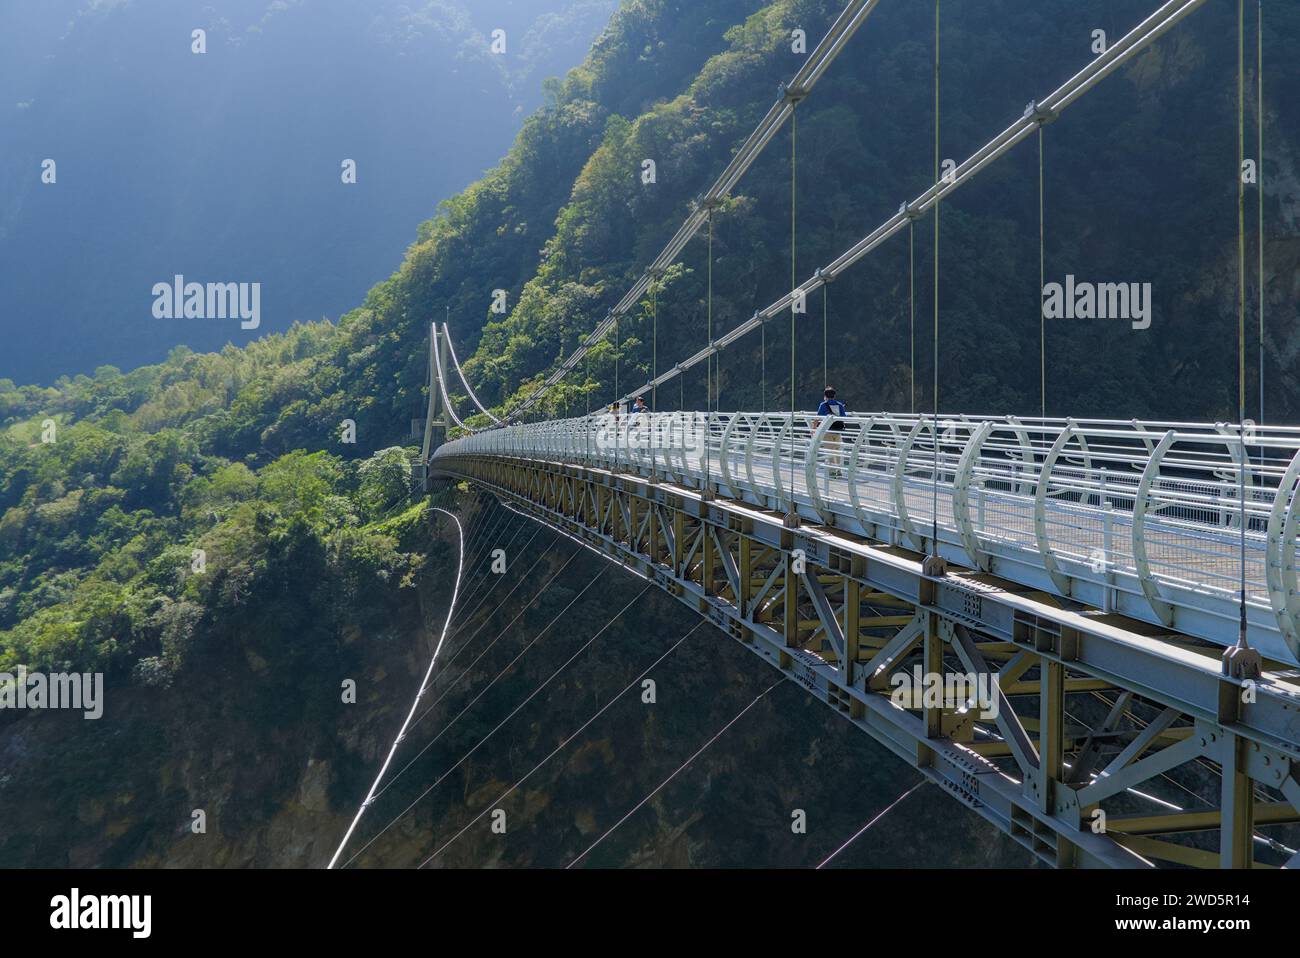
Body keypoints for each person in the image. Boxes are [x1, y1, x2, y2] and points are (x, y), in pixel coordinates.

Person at [814, 387, 848, 478]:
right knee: (837, 450)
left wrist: (814, 430)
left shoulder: (823, 405)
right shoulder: (839, 404)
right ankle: (839, 471)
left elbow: (817, 418)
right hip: (838, 431)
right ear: (834, 395)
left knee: (829, 451)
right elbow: (844, 416)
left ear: (825, 395)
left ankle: (832, 472)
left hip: (827, 431)